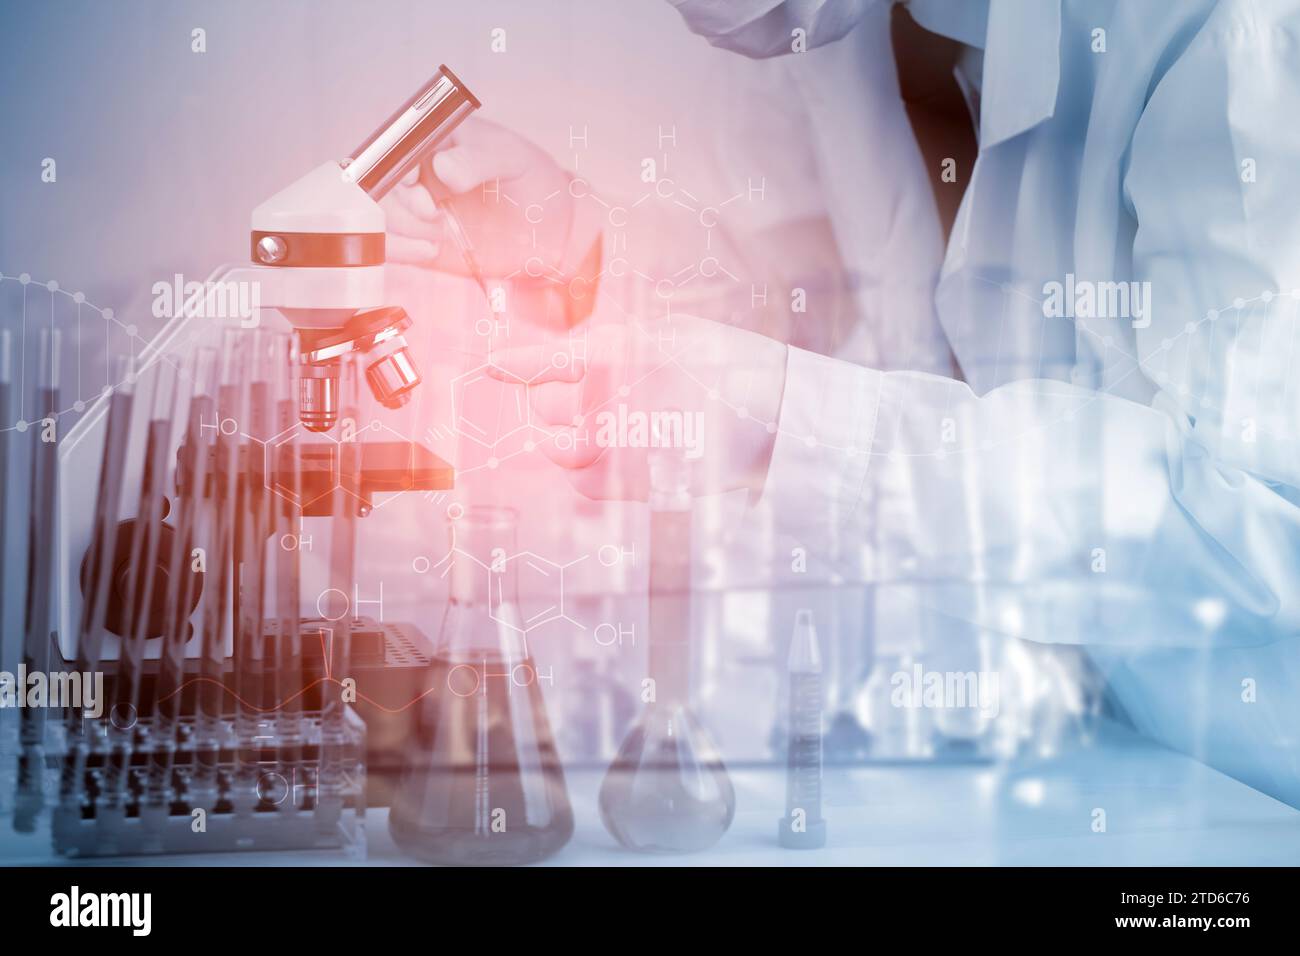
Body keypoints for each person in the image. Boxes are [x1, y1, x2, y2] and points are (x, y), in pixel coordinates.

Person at [386, 0, 1300, 806]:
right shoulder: (832, 34)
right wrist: (582, 248)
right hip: (1075, 752)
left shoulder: (1222, 32)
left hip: (1251, 779)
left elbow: (1254, 524)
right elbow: (816, 314)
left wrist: (791, 422)